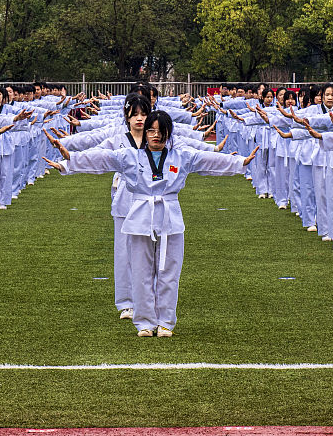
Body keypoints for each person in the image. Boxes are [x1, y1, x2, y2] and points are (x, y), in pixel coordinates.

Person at [46, 110, 258, 337]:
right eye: (151, 130)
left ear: (169, 133)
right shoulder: (129, 156)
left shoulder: (181, 156)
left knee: (169, 270)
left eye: (161, 131)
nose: (156, 135)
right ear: (145, 132)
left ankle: (166, 321)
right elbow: (103, 159)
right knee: (140, 270)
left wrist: (239, 162)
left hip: (169, 215)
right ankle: (145, 322)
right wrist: (71, 160)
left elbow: (208, 160)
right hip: (140, 215)